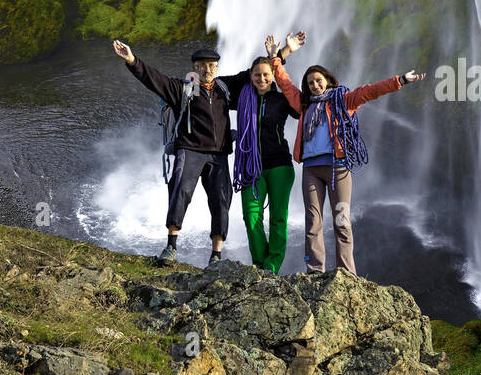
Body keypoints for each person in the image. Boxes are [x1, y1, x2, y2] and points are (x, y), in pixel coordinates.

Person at [270, 45, 426, 275]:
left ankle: (346, 271)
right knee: (313, 221)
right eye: (311, 82)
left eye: (318, 80)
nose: (315, 85)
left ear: (328, 80)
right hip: (312, 170)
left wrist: (400, 80)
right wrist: (276, 58)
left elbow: (371, 91)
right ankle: (315, 269)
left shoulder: (344, 100)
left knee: (342, 219)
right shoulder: (303, 104)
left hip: (338, 169)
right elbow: (284, 83)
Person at [112, 39, 245, 268]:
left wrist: (279, 54)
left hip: (219, 154)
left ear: (217, 68)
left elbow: (253, 74)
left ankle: (216, 256)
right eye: (202, 65)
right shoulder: (183, 88)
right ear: (194, 67)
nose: (207, 70)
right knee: (180, 192)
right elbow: (154, 79)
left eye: (212, 65)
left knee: (222, 200)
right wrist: (132, 60)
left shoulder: (225, 88)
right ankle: (171, 246)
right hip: (190, 150)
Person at [229, 32, 305, 273]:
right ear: (250, 77)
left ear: (272, 77)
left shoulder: (283, 100)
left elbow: (301, 106)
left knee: (278, 219)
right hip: (252, 167)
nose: (261, 79)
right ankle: (259, 264)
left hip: (280, 166)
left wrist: (281, 57)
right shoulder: (240, 99)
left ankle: (272, 265)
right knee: (251, 218)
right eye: (257, 75)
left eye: (266, 75)